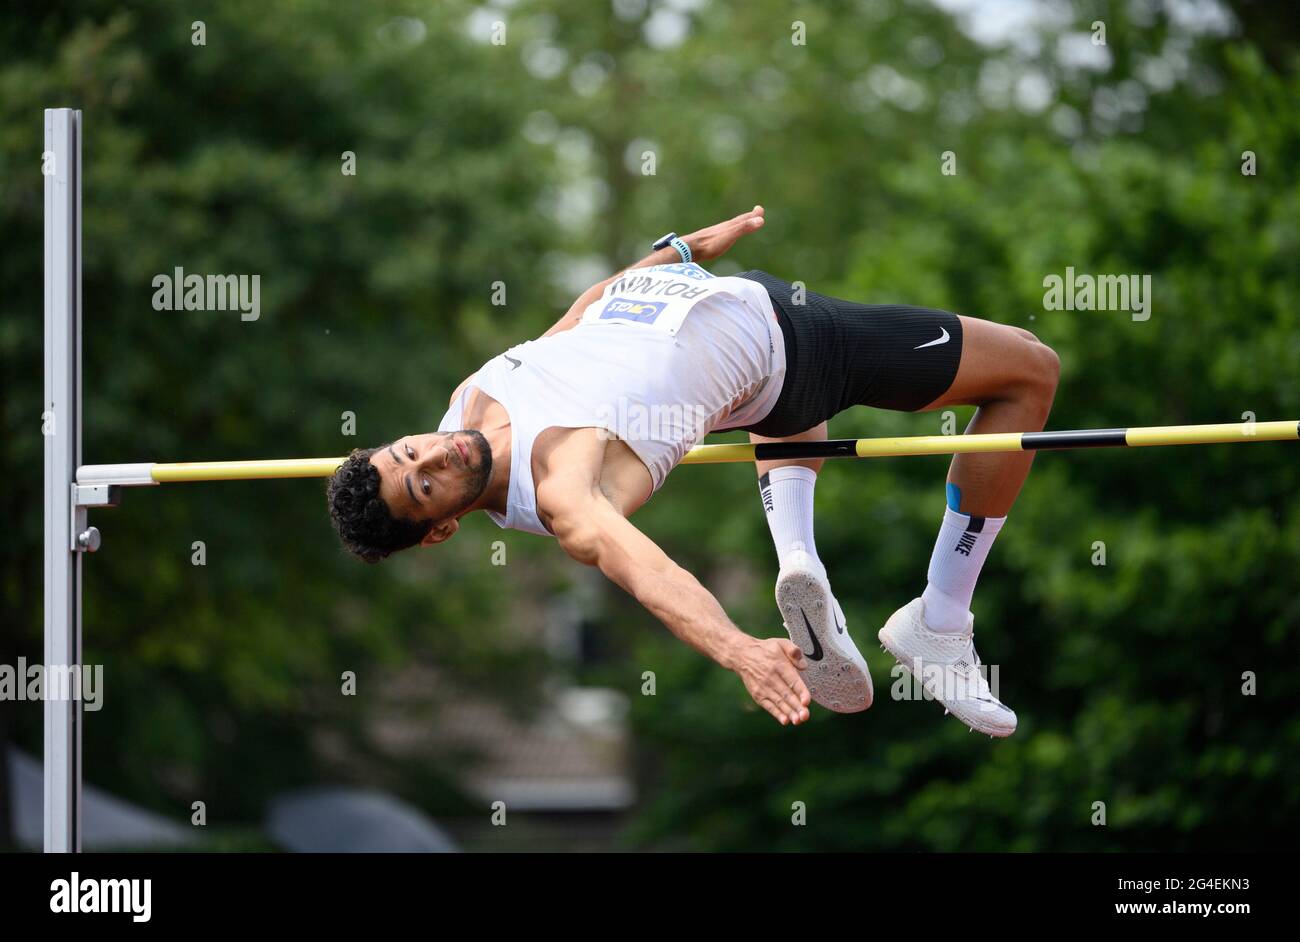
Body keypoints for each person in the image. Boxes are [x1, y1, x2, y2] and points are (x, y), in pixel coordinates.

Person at [325, 207, 1059, 734]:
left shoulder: (466, 405)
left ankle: (801, 560)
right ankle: (940, 618)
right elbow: (653, 577)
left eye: (406, 449)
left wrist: (676, 253)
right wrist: (737, 650)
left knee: (779, 418)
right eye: (424, 484)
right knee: (1028, 369)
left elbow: (576, 325)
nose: (434, 453)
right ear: (444, 527)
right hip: (793, 347)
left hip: (730, 327)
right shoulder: (565, 494)